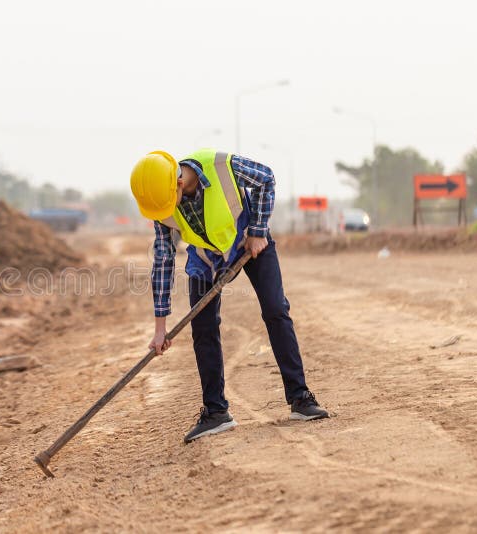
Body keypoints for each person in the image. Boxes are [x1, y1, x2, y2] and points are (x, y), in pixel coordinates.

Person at [129, 149, 328, 443]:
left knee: (275, 309)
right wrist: (160, 328)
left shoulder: (222, 166)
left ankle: (300, 398)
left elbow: (266, 179)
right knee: (203, 328)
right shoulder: (162, 205)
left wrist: (258, 230)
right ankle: (216, 412)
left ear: (179, 184)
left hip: (250, 242)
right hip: (205, 260)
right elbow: (163, 262)